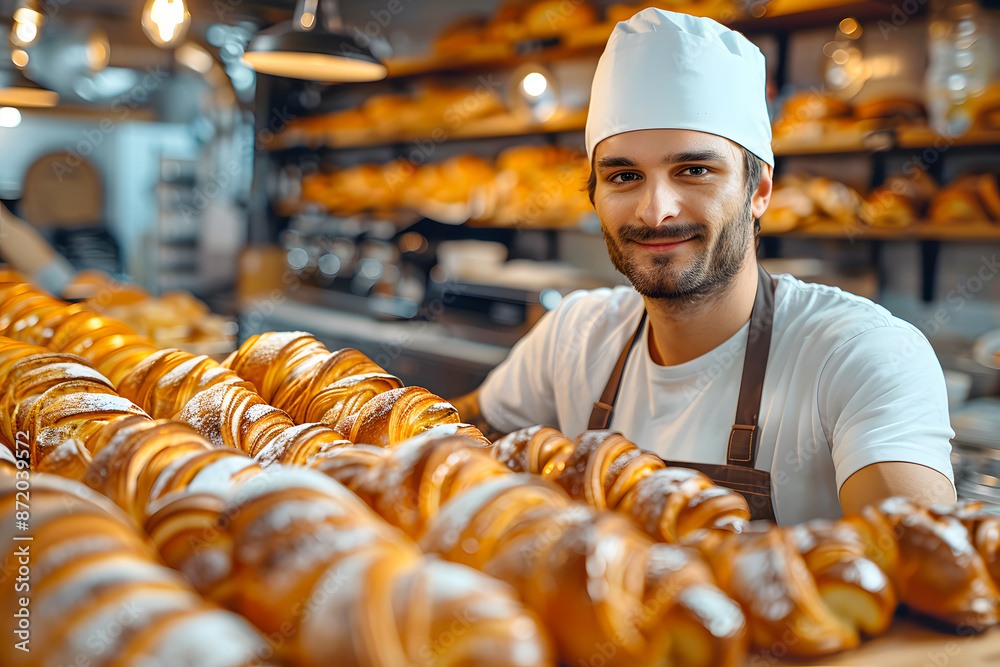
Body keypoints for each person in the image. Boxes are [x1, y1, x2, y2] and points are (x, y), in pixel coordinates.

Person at [452, 8, 956, 525]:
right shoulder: (574, 336)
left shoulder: (859, 356)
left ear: (757, 191)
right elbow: (437, 448)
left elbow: (924, 572)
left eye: (694, 170)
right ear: (594, 195)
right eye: (624, 176)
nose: (656, 211)